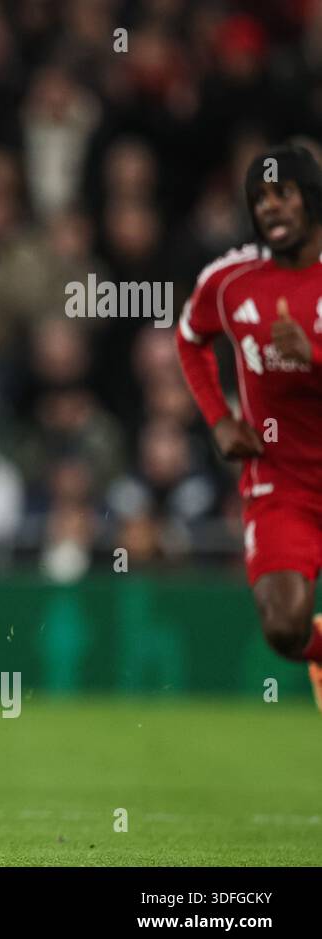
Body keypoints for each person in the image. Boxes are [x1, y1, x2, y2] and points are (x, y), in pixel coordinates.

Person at [176, 142, 322, 710]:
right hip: (280, 479)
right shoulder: (230, 280)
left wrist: (312, 353)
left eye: (282, 193)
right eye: (258, 198)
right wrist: (218, 419)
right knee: (284, 628)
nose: (270, 208)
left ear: (310, 198)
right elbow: (189, 337)